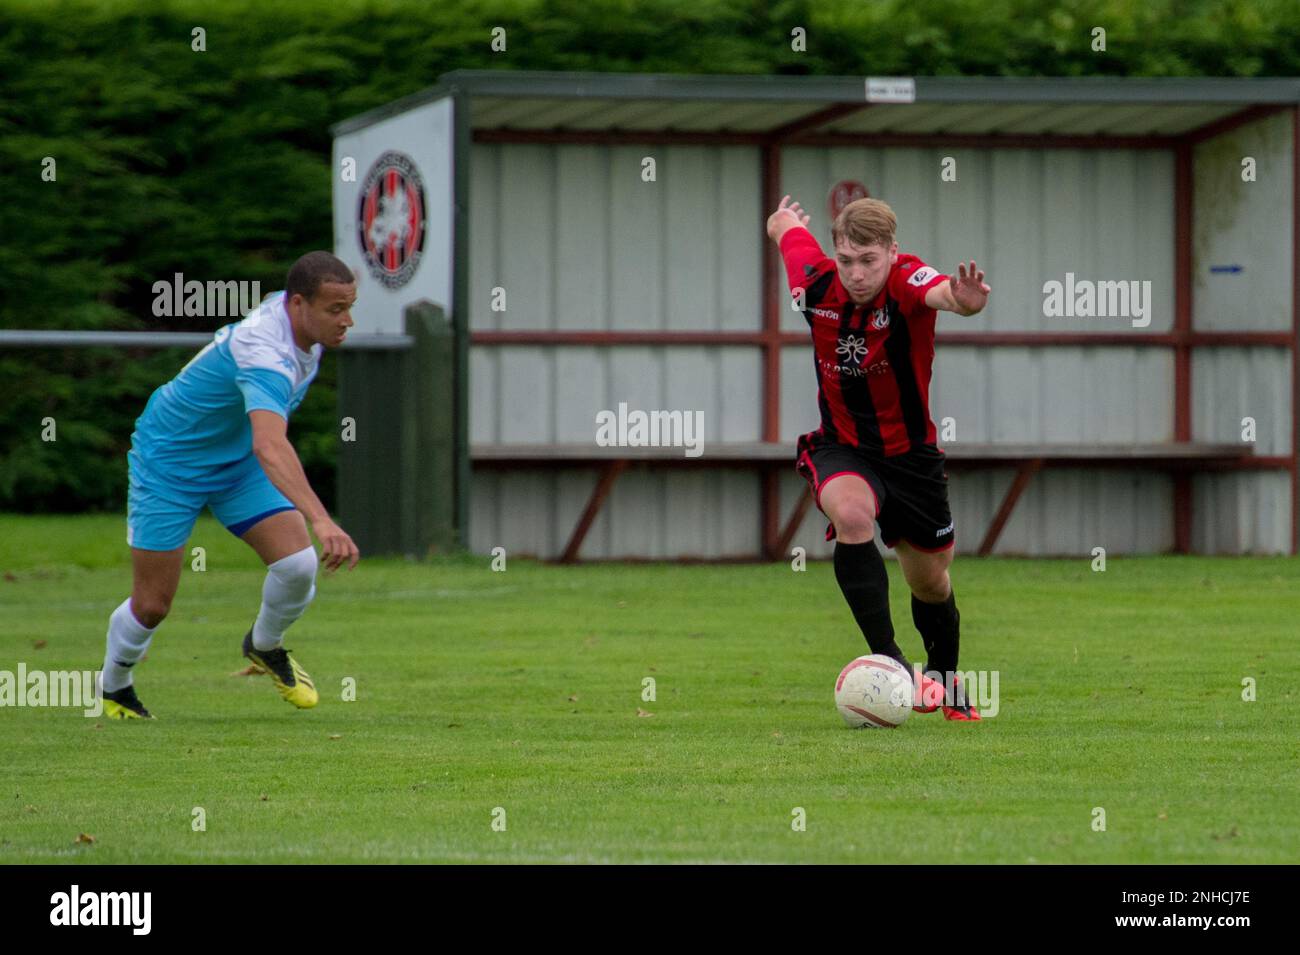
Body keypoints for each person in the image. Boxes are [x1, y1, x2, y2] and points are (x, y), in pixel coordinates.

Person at [99, 251, 361, 719]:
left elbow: (261, 443)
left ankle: (265, 645)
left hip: (236, 464)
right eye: (335, 310)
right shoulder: (265, 352)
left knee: (298, 566)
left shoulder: (301, 324)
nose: (347, 321)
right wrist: (321, 519)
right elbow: (270, 446)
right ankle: (115, 687)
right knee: (153, 604)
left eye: (349, 307)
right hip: (170, 462)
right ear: (298, 304)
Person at [767, 195, 990, 720]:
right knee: (850, 514)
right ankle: (890, 660)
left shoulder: (908, 279)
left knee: (930, 581)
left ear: (892, 251)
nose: (856, 274)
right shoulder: (814, 283)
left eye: (869, 261)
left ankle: (944, 680)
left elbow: (944, 295)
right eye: (847, 260)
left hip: (912, 458)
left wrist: (965, 301)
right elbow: (787, 234)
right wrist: (784, 221)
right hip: (842, 446)